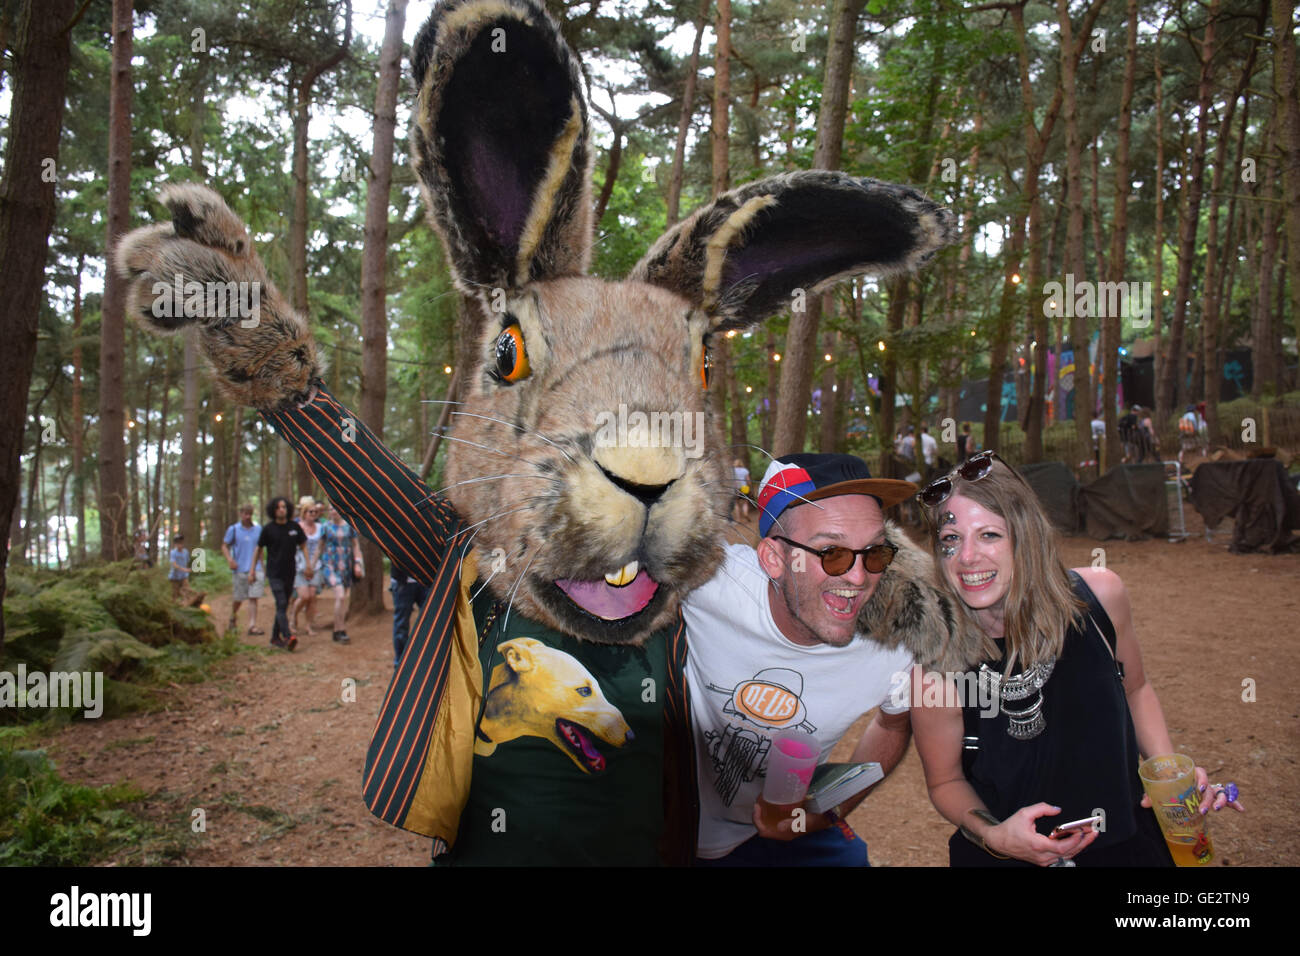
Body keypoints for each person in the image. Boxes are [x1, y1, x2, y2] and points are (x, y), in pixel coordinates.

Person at [909, 452, 1244, 866]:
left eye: (989, 535)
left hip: (1128, 844)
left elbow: (1136, 690)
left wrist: (1165, 777)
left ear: (1025, 535)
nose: (967, 557)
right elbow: (945, 781)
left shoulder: (1100, 597)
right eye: (951, 539)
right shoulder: (936, 665)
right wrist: (994, 835)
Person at [684, 454, 918, 866]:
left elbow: (892, 722)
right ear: (773, 559)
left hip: (784, 837)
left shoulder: (896, 644)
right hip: (667, 826)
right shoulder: (707, 584)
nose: (859, 578)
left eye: (875, 552)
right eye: (832, 552)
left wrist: (828, 809)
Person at [252, 497, 310, 651]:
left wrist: (308, 565)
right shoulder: (268, 529)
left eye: (284, 507)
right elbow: (258, 549)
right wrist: (253, 570)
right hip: (274, 573)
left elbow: (303, 545)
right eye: (278, 507)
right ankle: (288, 636)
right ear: (273, 510)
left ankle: (274, 638)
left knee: (282, 605)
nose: (281, 509)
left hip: (290, 572)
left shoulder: (294, 527)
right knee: (282, 603)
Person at [318, 503, 362, 644]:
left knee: (343, 599)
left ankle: (338, 631)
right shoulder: (325, 527)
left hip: (346, 565)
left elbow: (356, 546)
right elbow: (320, 548)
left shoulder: (349, 526)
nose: (333, 512)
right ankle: (340, 629)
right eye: (330, 509)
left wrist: (358, 563)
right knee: (341, 596)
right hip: (330, 565)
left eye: (335, 509)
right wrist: (311, 566)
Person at [222, 503, 265, 635]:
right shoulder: (233, 529)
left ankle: (252, 625)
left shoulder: (258, 529)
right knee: (239, 598)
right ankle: (233, 616)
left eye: (250, 514)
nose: (247, 516)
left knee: (253, 597)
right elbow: (224, 546)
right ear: (240, 514)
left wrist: (263, 567)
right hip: (240, 568)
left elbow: (260, 549)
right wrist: (230, 560)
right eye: (245, 513)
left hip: (256, 568)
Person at [291, 496, 324, 638]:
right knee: (303, 596)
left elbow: (320, 547)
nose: (313, 514)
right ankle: (293, 617)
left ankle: (309, 625)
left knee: (311, 597)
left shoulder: (321, 528)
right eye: (310, 512)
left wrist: (313, 563)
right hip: (300, 566)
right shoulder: (296, 527)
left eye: (315, 512)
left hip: (316, 566)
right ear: (303, 513)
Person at [390, 555, 430, 666]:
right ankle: (401, 664)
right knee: (401, 625)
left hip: (426, 580)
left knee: (430, 622)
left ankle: (425, 660)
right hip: (402, 581)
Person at [168, 533, 190, 601]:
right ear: (175, 543)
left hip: (183, 577)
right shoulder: (173, 553)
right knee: (175, 595)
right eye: (177, 542)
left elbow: (186, 562)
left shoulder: (186, 552)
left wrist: (187, 570)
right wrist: (184, 569)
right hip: (174, 577)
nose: (179, 544)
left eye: (180, 542)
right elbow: (174, 565)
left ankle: (188, 605)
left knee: (187, 591)